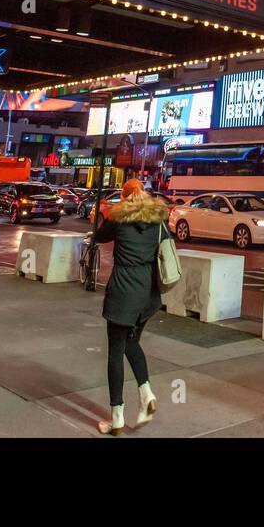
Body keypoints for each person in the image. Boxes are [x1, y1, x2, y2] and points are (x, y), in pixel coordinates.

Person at [92, 178, 170, 435]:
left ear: (124, 197)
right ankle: (146, 392)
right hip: (148, 295)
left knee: (116, 351)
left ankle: (116, 418)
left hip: (124, 292)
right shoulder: (158, 220)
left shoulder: (118, 219)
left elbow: (98, 237)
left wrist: (104, 212)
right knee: (132, 342)